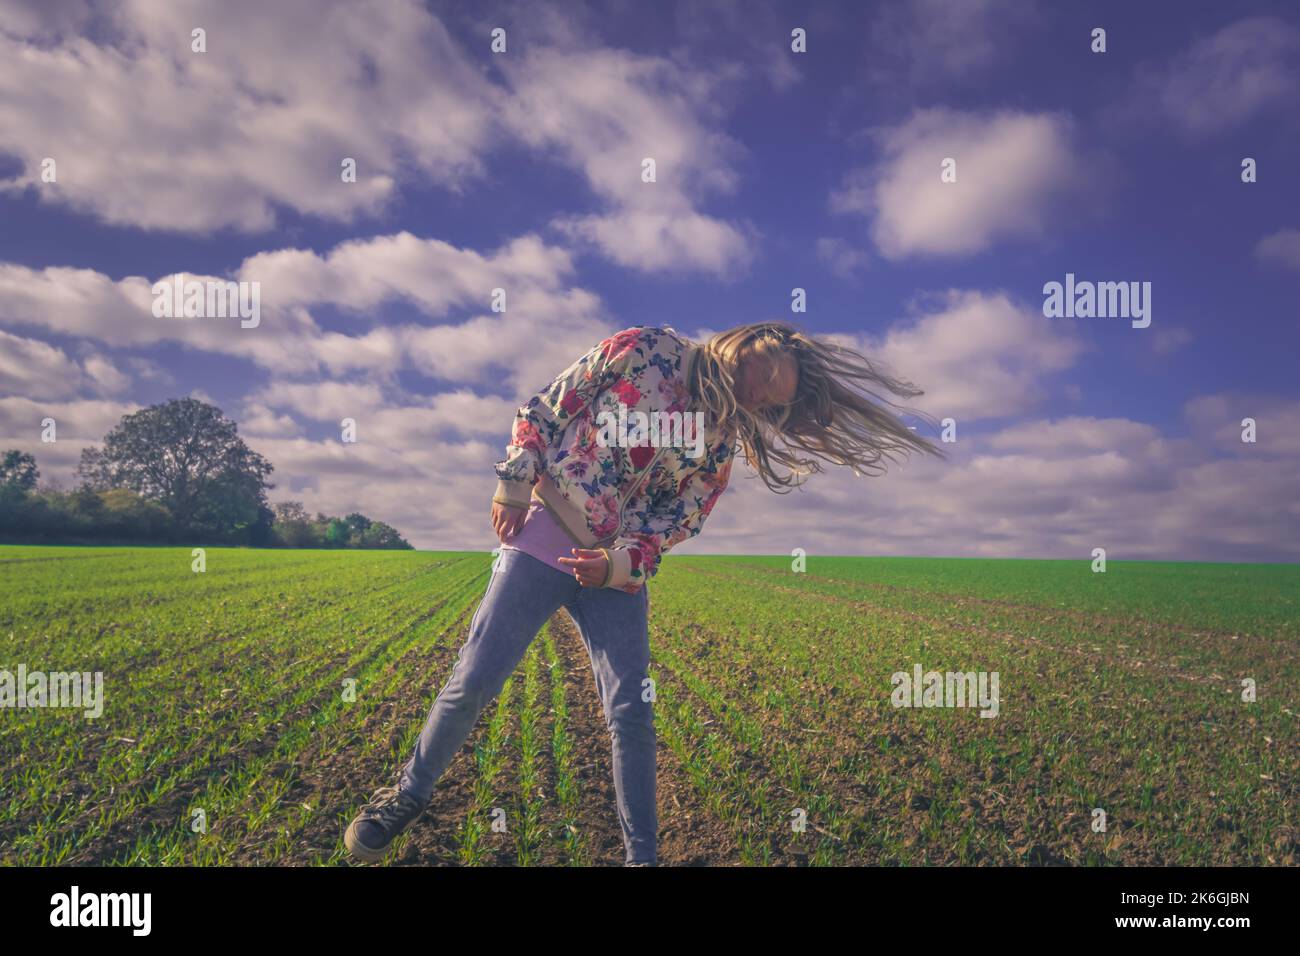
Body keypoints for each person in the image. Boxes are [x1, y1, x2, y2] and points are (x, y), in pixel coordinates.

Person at [343, 321, 943, 865]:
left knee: (631, 711)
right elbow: (549, 407)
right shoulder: (646, 349)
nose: (756, 390)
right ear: (750, 340)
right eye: (764, 372)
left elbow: (681, 517)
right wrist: (515, 481)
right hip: (547, 527)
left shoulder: (720, 440)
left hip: (615, 570)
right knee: (477, 677)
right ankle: (406, 795)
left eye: (770, 397)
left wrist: (621, 564)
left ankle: (642, 858)